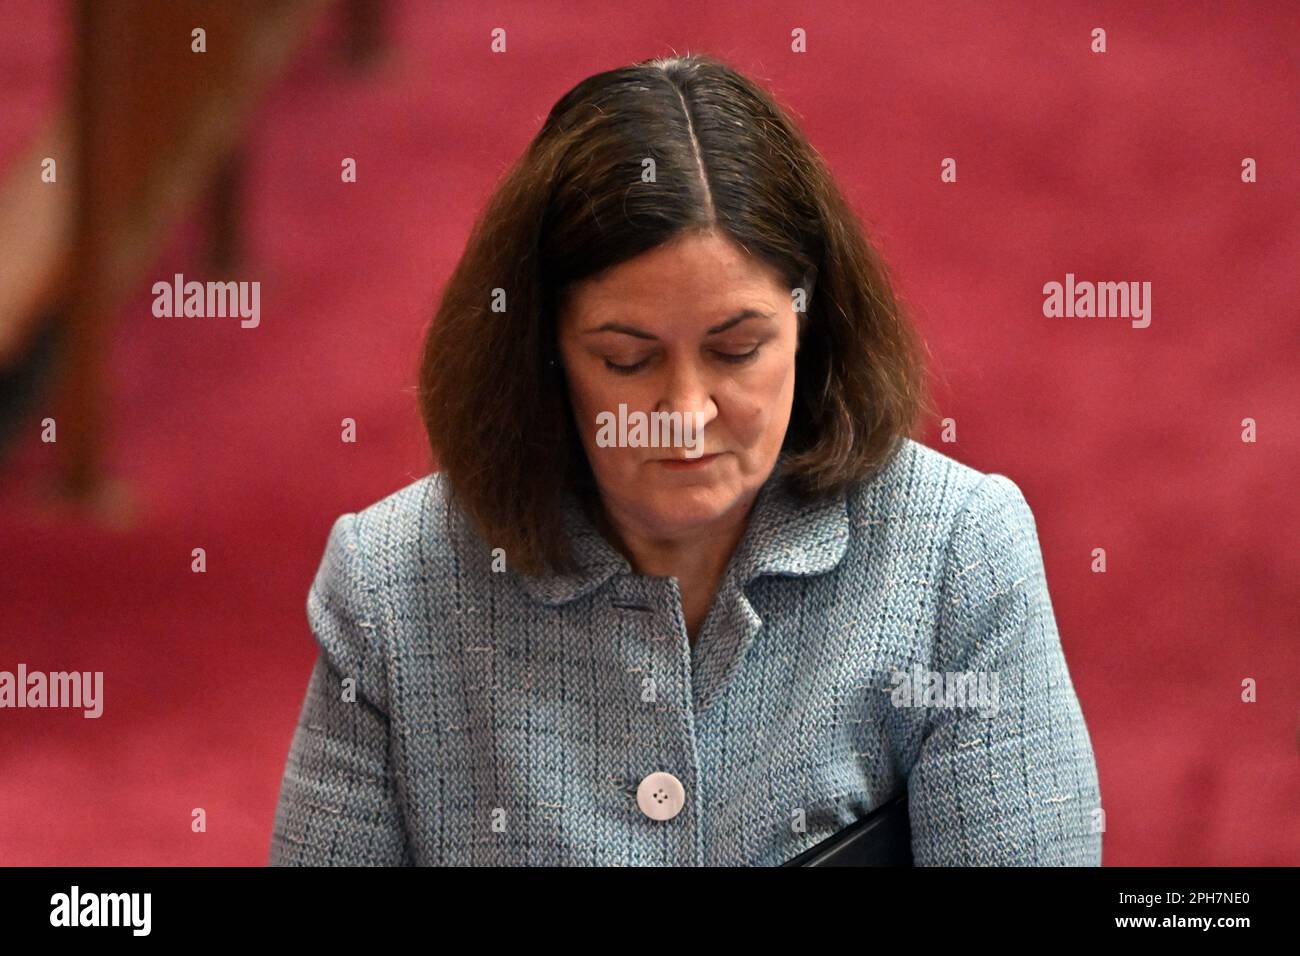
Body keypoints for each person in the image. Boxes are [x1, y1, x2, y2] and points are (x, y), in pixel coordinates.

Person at [269, 52, 1102, 866]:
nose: (685, 414)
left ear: (810, 328)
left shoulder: (957, 554)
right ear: (544, 352)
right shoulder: (391, 587)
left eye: (737, 351)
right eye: (627, 360)